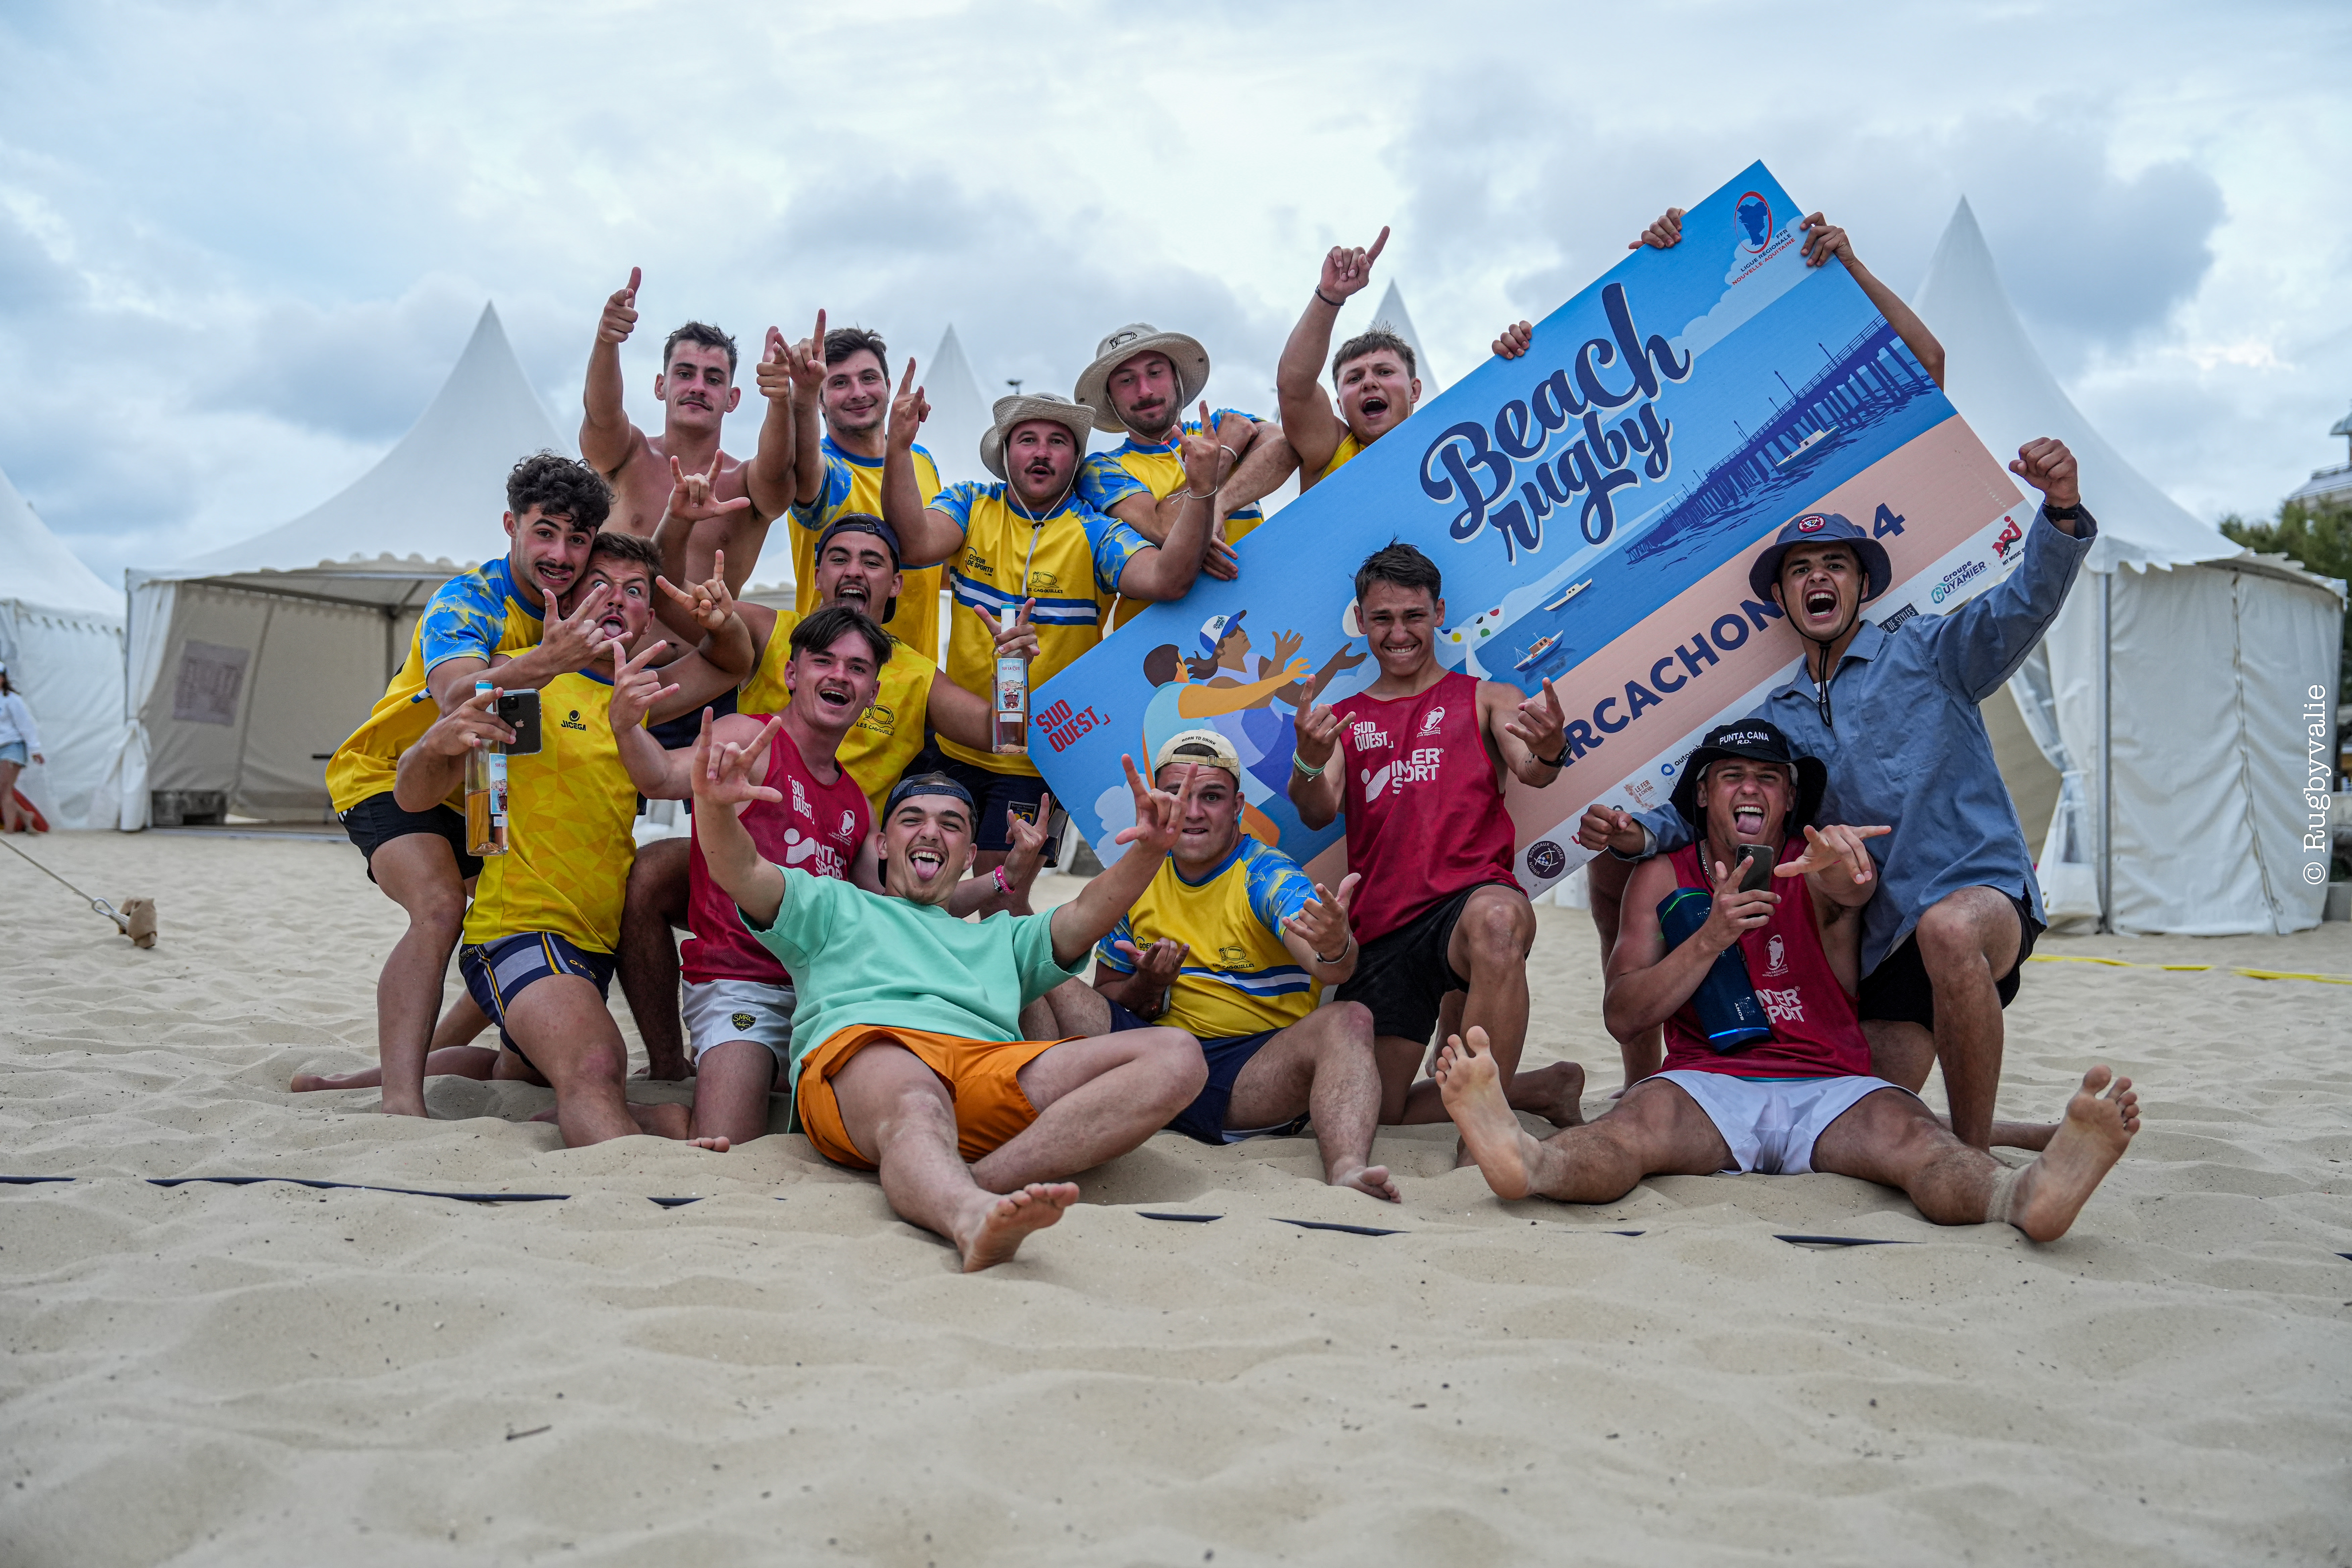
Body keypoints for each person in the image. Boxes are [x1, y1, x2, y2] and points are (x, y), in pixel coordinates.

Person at [1579, 440, 2097, 1150]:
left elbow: (2023, 603)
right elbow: (1715, 807)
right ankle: (2026, 1133)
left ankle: (1976, 1157)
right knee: (1852, 1112)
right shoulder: (1776, 718)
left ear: (1862, 586)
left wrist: (2060, 510)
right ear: (1781, 597)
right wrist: (1637, 833)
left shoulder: (1931, 651)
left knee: (1948, 930)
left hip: (1980, 898)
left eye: (1834, 564)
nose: (1817, 577)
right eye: (1800, 569)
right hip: (1885, 941)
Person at [1439, 721, 2140, 1243]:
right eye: (1732, 775)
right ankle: (1530, 1163)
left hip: (1830, 1085)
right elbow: (1623, 1014)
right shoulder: (1661, 875)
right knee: (1627, 1133)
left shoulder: (1816, 862)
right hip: (1707, 1084)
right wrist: (1709, 938)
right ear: (1703, 794)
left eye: (1768, 777)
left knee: (1923, 1147)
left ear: (1789, 798)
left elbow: (1849, 887)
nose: (1750, 787)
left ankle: (2019, 1196)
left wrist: (1844, 872)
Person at [695, 744, 1213, 1271]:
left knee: (1177, 1054)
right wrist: (714, 808)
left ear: (969, 856)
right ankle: (968, 1215)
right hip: (869, 1055)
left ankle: (973, 1182)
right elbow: (743, 870)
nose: (930, 832)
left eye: (951, 824)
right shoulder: (833, 904)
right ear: (883, 843)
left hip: (986, 1072)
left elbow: (1085, 912)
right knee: (917, 1096)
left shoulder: (1001, 938)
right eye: (912, 819)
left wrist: (1150, 849)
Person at [323, 453, 633, 1117]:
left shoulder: (578, 607)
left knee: (503, 917)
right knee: (440, 908)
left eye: (577, 539)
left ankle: (382, 1071)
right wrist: (545, 660)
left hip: (481, 778)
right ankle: (399, 1100)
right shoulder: (469, 598)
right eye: (545, 532)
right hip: (389, 771)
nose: (561, 553)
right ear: (511, 525)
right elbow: (453, 696)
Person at [389, 532, 713, 1148]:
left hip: (593, 945)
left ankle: (350, 1080)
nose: (616, 599)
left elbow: (730, 661)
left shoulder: (635, 697)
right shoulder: (518, 675)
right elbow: (418, 793)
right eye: (599, 585)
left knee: (519, 1073)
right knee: (595, 1064)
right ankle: (636, 1159)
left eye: (635, 591)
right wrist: (438, 746)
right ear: (563, 601)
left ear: (649, 620)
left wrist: (712, 611)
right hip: (519, 932)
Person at [1288, 542, 1586, 1137]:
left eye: (1413, 616)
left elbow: (1533, 770)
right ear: (1361, 622)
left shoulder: (1489, 698)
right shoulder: (1342, 718)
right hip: (1384, 930)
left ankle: (1484, 1140)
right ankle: (1543, 1088)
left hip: (1467, 906)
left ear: (1439, 613)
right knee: (1382, 1110)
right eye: (1382, 619)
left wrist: (1552, 747)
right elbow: (1317, 811)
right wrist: (1307, 759)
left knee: (1498, 922)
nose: (1398, 633)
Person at [1025, 730, 1397, 1200]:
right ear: (1157, 801)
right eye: (1179, 794)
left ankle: (1348, 1169)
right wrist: (1148, 984)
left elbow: (1332, 969)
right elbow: (1107, 1000)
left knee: (1350, 1020)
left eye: (1212, 797)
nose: (1194, 812)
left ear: (1238, 805)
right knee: (1033, 967)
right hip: (1145, 1061)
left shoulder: (1266, 874)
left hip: (1247, 1076)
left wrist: (1334, 945)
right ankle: (1031, 1124)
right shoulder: (1135, 875)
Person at [880, 379, 1220, 882]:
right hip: (953, 748)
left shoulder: (1096, 530)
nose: (1041, 453)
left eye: (1058, 441)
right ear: (1005, 452)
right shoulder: (972, 503)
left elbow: (1168, 579)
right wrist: (898, 448)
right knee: (922, 887)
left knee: (1002, 897)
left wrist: (1203, 489)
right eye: (1028, 440)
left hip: (1040, 762)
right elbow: (913, 543)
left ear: (1076, 458)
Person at [579, 269, 796, 609]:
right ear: (660, 386)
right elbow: (601, 417)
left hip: (703, 644)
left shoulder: (747, 488)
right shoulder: (626, 456)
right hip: (607, 641)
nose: (698, 387)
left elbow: (778, 471)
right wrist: (607, 341)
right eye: (684, 374)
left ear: (733, 399)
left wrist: (780, 399)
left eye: (714, 379)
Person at [1072, 322, 1296, 597]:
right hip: (1168, 623)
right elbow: (1165, 528)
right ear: (1110, 398)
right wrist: (1225, 454)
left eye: (1155, 373)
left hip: (1261, 598)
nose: (1145, 391)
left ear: (1176, 378)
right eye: (1126, 381)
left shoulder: (1221, 423)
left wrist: (1220, 507)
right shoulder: (1101, 469)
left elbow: (1290, 445)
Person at [779, 321, 951, 663]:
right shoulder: (821, 467)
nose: (858, 393)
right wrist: (802, 395)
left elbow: (936, 570)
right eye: (840, 383)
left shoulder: (921, 461)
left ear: (888, 385)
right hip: (835, 677)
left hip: (919, 677)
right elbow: (808, 466)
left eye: (869, 378)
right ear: (821, 402)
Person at [1275, 226, 1421, 491]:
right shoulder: (1331, 451)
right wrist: (1330, 296)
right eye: (1354, 379)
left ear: (1414, 390)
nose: (1369, 383)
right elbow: (1294, 386)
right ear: (1341, 407)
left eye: (1385, 372)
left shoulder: (1458, 437)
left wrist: (1507, 363)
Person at [0, 662, 43, 832]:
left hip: (13, 746)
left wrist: (35, 749)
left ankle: (9, 831)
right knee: (3, 790)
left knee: (5, 789)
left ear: (4, 679)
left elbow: (26, 725)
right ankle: (25, 816)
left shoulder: (12, 700)